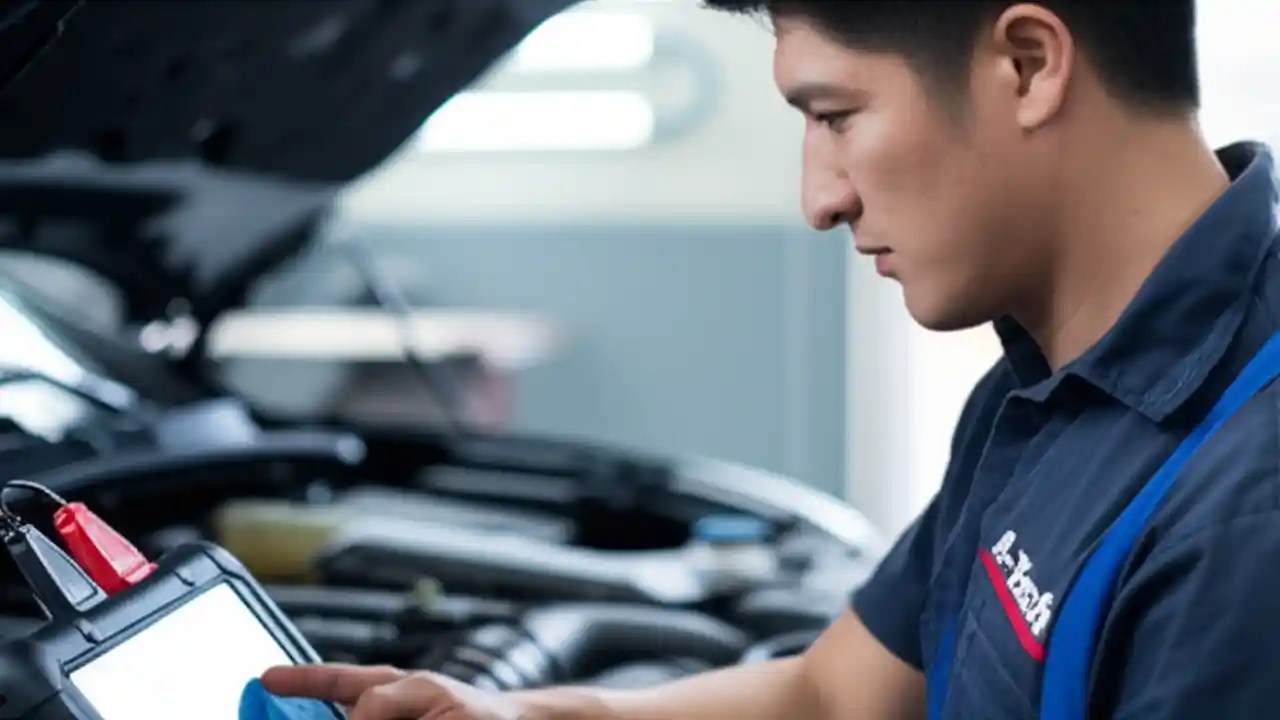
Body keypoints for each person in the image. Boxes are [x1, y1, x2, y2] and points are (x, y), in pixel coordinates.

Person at [260, 1, 1280, 717]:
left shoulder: (1243, 523)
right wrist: (524, 716)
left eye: (834, 116)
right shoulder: (1050, 386)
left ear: (1025, 64)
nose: (818, 198)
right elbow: (834, 695)